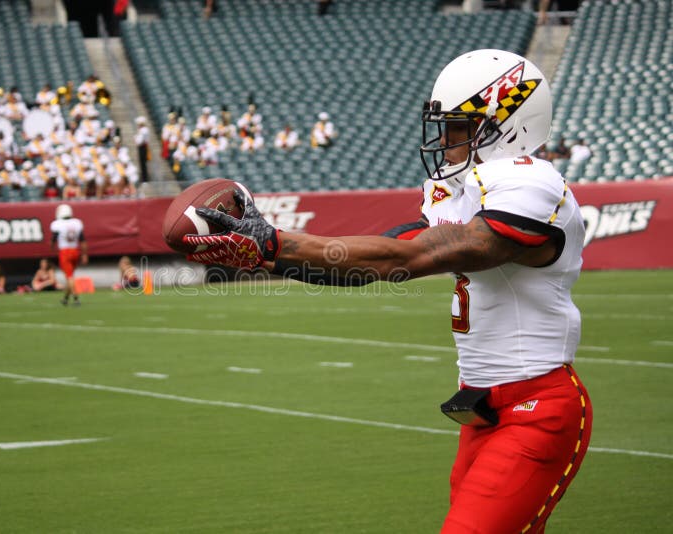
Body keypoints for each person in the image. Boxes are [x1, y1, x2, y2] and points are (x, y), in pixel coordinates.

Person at [183, 49, 592, 534]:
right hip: (485, 413)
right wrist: (269, 257)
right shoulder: (465, 191)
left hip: (536, 409)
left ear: (507, 123)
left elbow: (414, 257)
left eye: (459, 127)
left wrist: (277, 240)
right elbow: (381, 262)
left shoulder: (531, 183)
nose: (444, 140)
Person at [50, 203, 88, 306]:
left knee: (69, 276)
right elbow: (83, 240)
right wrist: (84, 254)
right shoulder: (77, 223)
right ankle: (65, 298)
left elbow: (53, 240)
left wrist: (51, 248)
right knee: (69, 276)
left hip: (65, 252)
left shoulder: (57, 224)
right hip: (75, 251)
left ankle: (75, 297)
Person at [134, 116, 150, 183]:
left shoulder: (143, 130)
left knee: (143, 163)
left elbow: (140, 141)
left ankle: (145, 179)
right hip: (143, 147)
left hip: (142, 147)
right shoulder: (144, 130)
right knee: (142, 163)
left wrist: (135, 138)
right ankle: (144, 178)